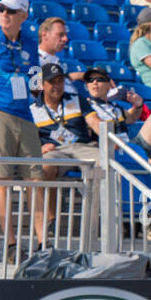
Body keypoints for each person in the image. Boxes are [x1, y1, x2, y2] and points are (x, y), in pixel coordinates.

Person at [0, 0, 43, 252]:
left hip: (26, 115)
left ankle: (44, 243)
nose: (4, 15)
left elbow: (36, 79)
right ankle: (10, 245)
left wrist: (35, 91)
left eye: (10, 11)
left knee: (36, 180)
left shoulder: (30, 44)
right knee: (3, 181)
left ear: (24, 15)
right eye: (2, 10)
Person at [30, 63, 98, 233]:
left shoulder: (76, 99)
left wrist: (109, 138)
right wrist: (39, 147)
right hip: (55, 151)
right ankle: (51, 221)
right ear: (42, 85)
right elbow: (27, 137)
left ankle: (98, 221)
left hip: (82, 146)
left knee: (106, 163)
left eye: (60, 81)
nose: (57, 86)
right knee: (45, 166)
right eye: (52, 82)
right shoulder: (32, 109)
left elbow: (95, 122)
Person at [82, 66, 151, 151]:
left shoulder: (114, 106)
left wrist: (138, 106)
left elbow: (131, 118)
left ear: (109, 84)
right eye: (90, 80)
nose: (94, 82)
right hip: (110, 151)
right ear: (86, 85)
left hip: (129, 146)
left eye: (99, 79)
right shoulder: (86, 107)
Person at [34, 18, 81, 93]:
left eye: (65, 35)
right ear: (44, 35)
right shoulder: (34, 61)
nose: (65, 39)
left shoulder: (58, 62)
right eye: (60, 34)